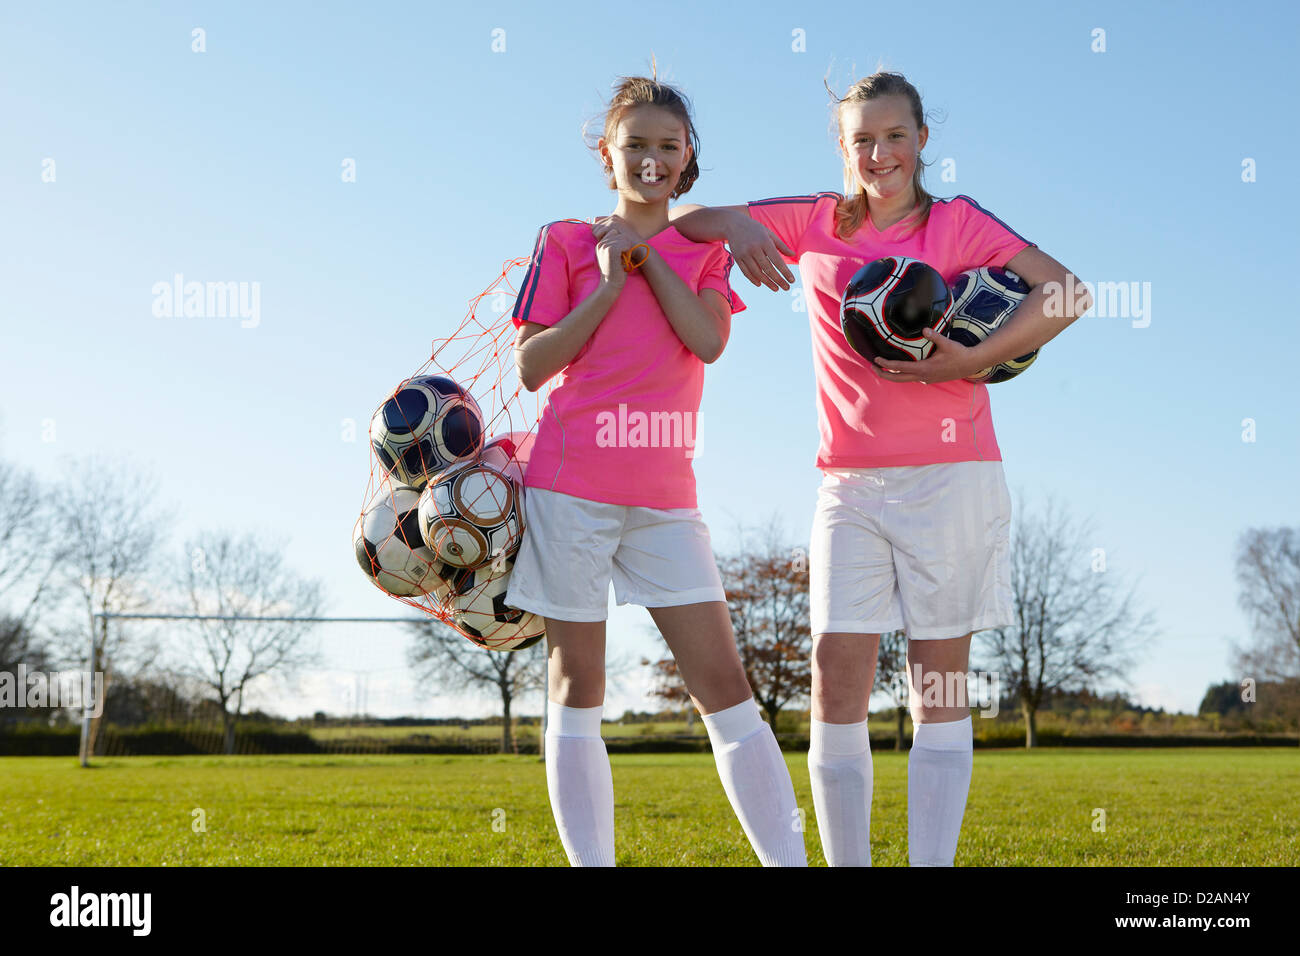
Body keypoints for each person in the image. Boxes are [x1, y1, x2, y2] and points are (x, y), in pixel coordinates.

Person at [664, 71, 1091, 866]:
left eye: (895, 135)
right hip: (849, 484)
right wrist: (740, 229)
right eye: (862, 138)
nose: (879, 152)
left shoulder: (959, 225)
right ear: (842, 146)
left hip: (951, 477)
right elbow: (682, 221)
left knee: (939, 691)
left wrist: (966, 362)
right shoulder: (817, 221)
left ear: (923, 140)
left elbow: (1066, 292)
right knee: (836, 678)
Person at [507, 70, 806, 867]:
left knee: (728, 691)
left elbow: (706, 342)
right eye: (634, 144)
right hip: (568, 486)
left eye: (666, 146)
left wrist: (649, 259)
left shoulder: (703, 247)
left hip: (667, 499)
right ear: (608, 155)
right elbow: (532, 366)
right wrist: (607, 287)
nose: (650, 158)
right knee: (577, 693)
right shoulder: (565, 241)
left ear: (686, 159)